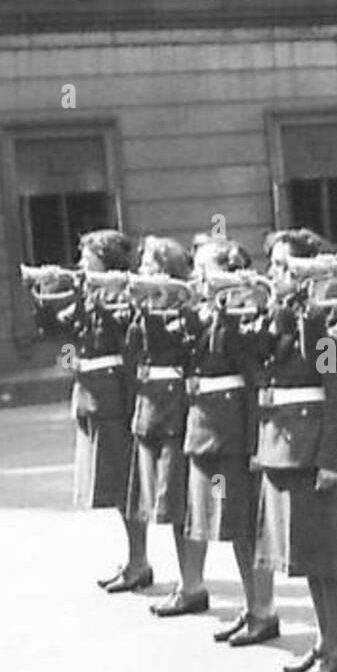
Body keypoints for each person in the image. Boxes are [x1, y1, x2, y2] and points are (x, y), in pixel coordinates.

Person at [240, 228, 337, 672]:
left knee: (329, 555)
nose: (274, 274)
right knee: (306, 555)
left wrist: (332, 458)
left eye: (284, 266)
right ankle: (323, 643)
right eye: (273, 266)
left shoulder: (323, 320)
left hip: (312, 450)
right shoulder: (278, 317)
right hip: (282, 446)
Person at [27, 228, 151, 593]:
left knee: (124, 486)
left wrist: (89, 295)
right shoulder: (89, 297)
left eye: (88, 260)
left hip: (113, 400)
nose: (80, 266)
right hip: (91, 397)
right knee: (111, 488)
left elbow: (122, 334)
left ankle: (140, 561)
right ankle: (134, 559)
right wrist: (43, 293)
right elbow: (54, 329)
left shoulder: (121, 299)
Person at [172, 235, 278, 641]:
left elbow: (256, 381)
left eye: (206, 269)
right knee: (230, 523)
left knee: (247, 525)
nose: (198, 277)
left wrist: (255, 442)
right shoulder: (199, 314)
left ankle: (263, 610)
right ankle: (252, 606)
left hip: (234, 435)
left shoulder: (244, 313)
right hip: (207, 434)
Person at [122, 236, 196, 617]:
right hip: (150, 408)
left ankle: (191, 584)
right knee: (160, 502)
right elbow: (130, 352)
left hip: (175, 409)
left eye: (151, 266)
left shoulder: (185, 311)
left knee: (178, 502)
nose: (144, 272)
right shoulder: (145, 310)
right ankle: (183, 581)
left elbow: (183, 347)